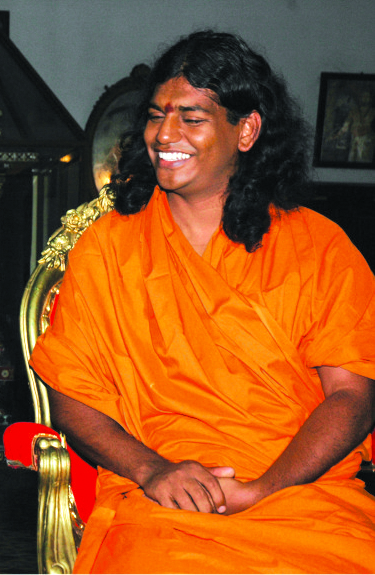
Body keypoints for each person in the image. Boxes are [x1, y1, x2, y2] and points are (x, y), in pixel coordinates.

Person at [30, 31, 375, 572]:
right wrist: (151, 471)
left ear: (247, 129)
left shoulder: (320, 246)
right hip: (165, 504)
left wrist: (265, 488)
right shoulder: (109, 248)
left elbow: (351, 398)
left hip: (301, 498)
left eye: (191, 118)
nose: (164, 134)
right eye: (155, 115)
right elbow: (74, 396)